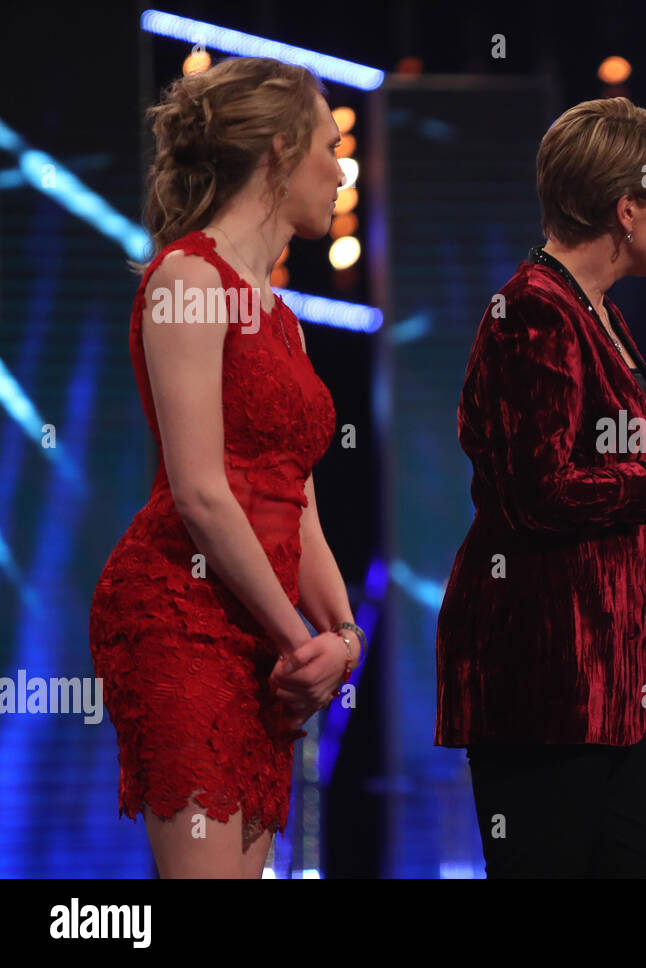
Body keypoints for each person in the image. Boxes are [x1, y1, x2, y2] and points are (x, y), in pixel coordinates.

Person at [89, 57, 364, 878]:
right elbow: (203, 494)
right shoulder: (187, 278)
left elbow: (297, 502)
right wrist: (299, 641)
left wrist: (342, 637)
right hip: (183, 613)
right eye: (329, 145)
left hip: (262, 633)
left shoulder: (284, 321)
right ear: (279, 152)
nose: (341, 170)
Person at [435, 97, 646, 877]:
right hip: (547, 690)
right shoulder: (534, 310)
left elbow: (587, 453)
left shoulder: (594, 311)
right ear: (626, 210)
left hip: (612, 698)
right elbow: (537, 491)